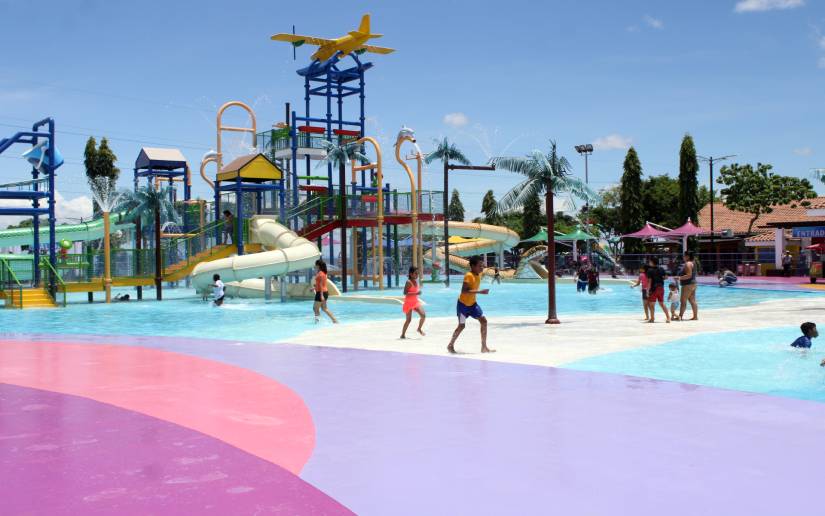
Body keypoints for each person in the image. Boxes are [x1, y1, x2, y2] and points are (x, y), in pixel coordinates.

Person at [447, 255, 494, 354]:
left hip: (472, 305)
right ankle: (450, 345)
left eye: (482, 266)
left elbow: (485, 272)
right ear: (472, 266)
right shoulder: (468, 275)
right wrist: (480, 292)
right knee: (462, 325)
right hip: (463, 306)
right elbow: (464, 291)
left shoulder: (478, 274)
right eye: (480, 266)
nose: (482, 268)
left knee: (484, 321)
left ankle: (484, 347)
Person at [400, 266, 426, 338]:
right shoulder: (408, 282)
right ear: (411, 274)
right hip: (408, 303)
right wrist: (416, 293)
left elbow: (414, 291)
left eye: (418, 273)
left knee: (423, 315)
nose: (417, 275)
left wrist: (417, 292)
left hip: (415, 302)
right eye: (415, 273)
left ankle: (419, 329)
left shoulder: (415, 281)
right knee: (408, 320)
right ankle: (403, 335)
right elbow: (405, 293)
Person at [646, 256, 670, 323]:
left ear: (652, 262)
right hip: (661, 288)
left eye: (649, 261)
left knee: (651, 304)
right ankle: (668, 318)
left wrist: (647, 291)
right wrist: (660, 279)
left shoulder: (650, 270)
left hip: (654, 289)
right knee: (661, 303)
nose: (649, 262)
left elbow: (649, 282)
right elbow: (666, 277)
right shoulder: (661, 268)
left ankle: (652, 318)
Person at [678, 251, 698, 321]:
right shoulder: (693, 262)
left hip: (687, 284)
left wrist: (679, 278)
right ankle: (695, 317)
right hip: (693, 284)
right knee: (692, 300)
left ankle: (680, 316)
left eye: (684, 256)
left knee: (683, 301)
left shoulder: (688, 264)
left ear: (688, 256)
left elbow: (689, 275)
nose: (683, 257)